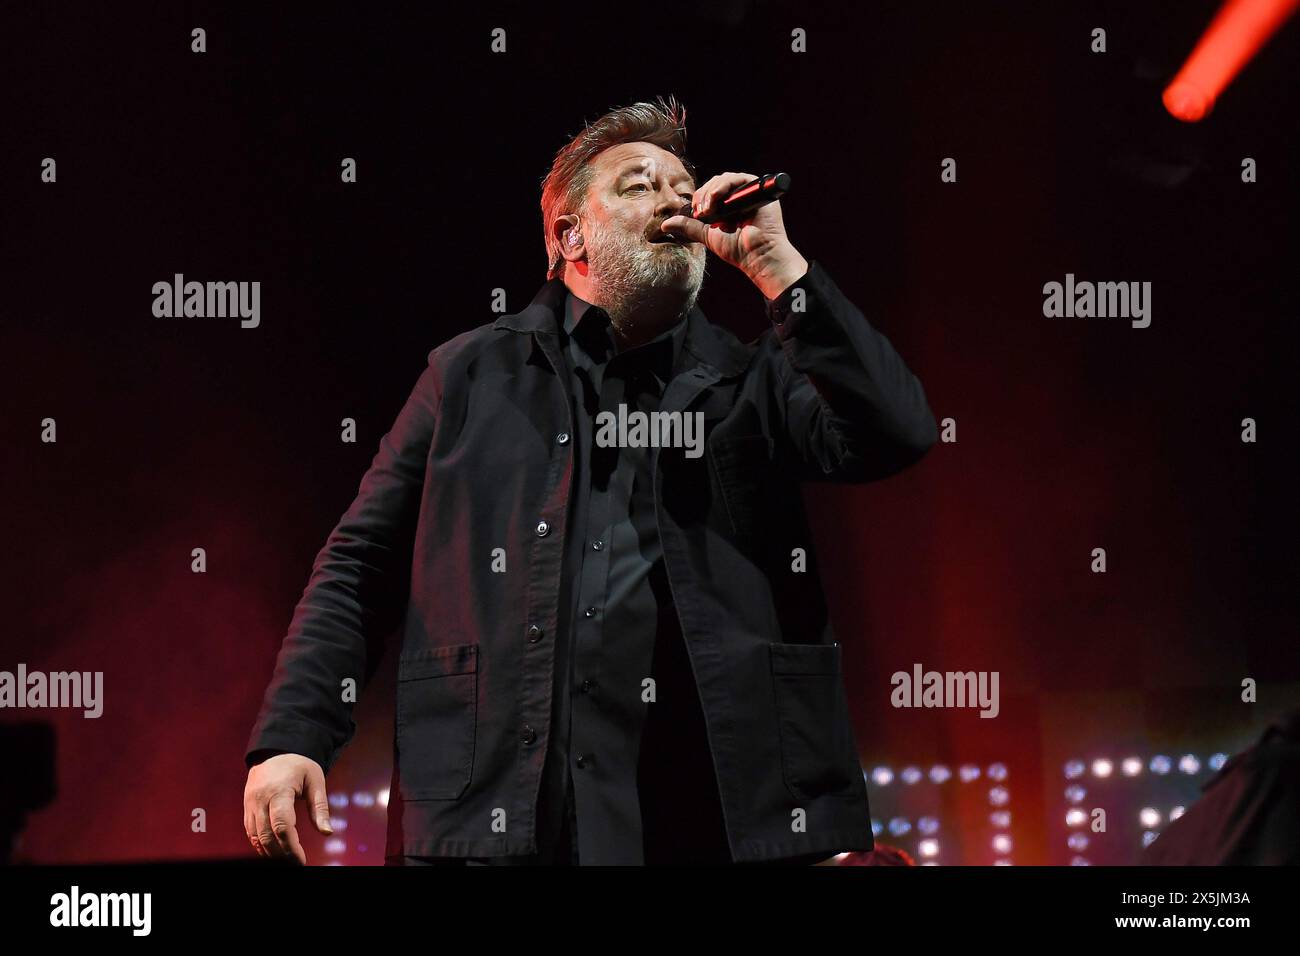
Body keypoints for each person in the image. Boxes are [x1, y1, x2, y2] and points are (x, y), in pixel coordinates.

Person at [242, 95, 938, 866]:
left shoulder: (753, 380)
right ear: (569, 235)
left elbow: (896, 433)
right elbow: (358, 566)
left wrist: (781, 270)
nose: (675, 198)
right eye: (639, 184)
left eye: (683, 185)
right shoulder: (467, 376)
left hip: (720, 821)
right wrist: (295, 735)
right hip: (502, 820)